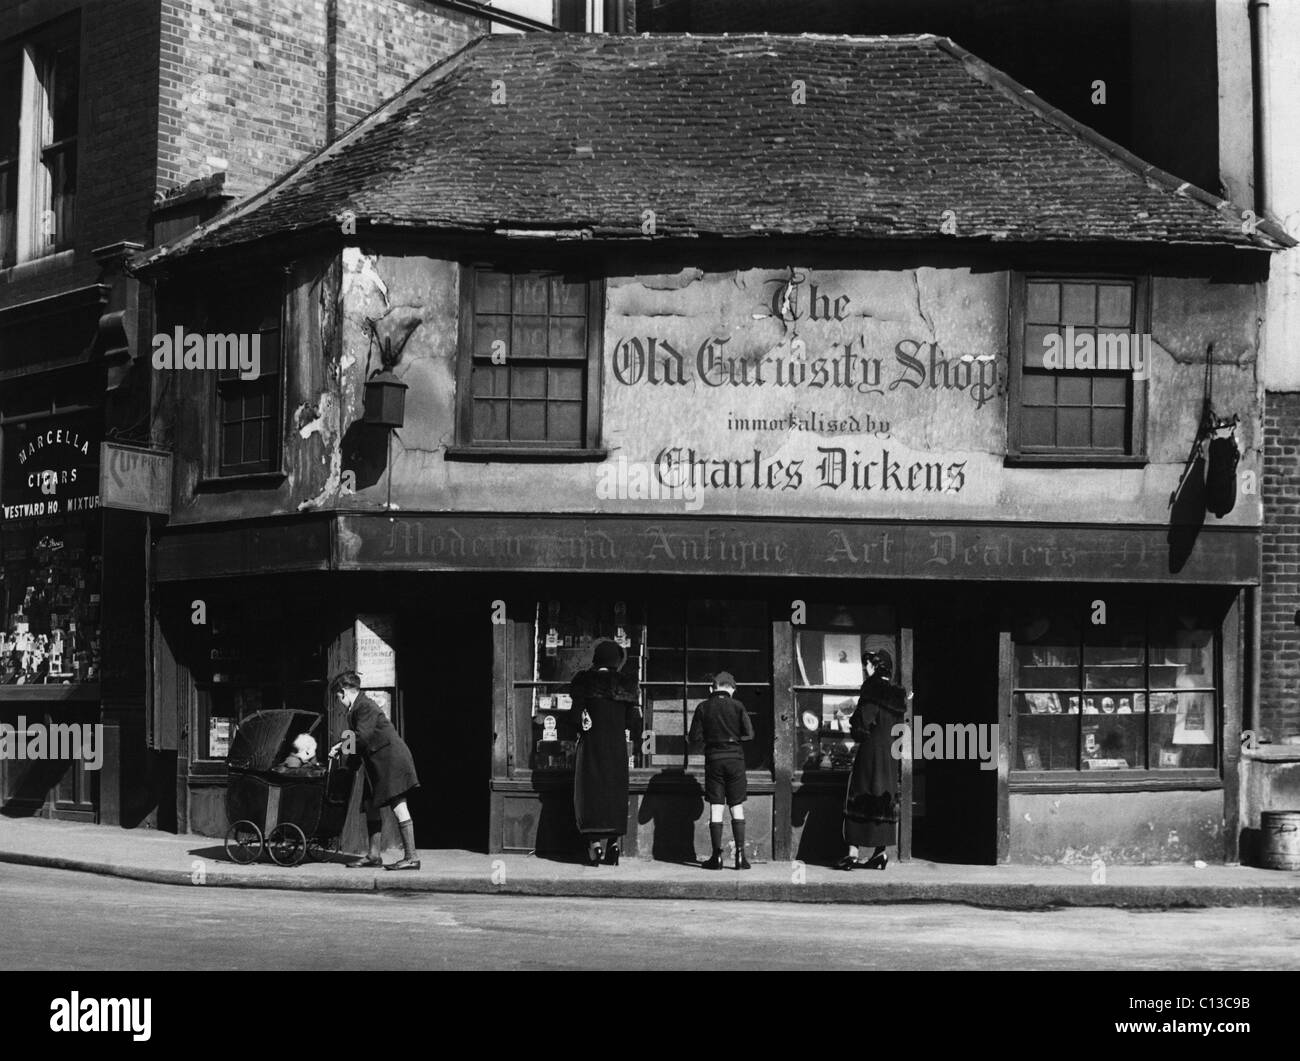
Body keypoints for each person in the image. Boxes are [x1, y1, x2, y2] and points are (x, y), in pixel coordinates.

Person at [328, 671, 422, 871]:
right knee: (370, 804)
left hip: (391, 761)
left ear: (343, 692)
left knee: (398, 805)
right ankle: (373, 855)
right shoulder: (356, 709)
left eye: (337, 696)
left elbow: (361, 737)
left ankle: (411, 857)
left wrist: (340, 745)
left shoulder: (364, 706)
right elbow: (359, 743)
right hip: (377, 763)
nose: (338, 701)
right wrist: (348, 767)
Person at [835, 649, 909, 871]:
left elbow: (863, 724)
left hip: (870, 753)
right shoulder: (897, 694)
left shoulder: (871, 689)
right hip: (889, 755)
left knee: (860, 795)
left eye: (867, 664)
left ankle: (853, 854)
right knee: (883, 799)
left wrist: (853, 723)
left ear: (875, 667)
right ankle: (880, 853)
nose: (865, 669)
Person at [571, 639, 642, 866]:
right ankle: (613, 845)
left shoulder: (585, 682)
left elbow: (574, 717)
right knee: (615, 792)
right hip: (616, 748)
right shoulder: (626, 685)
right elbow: (635, 722)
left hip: (592, 746)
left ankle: (595, 846)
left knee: (590, 792)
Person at [688, 671, 754, 870]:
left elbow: (694, 738)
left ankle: (716, 857)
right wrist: (733, 740)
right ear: (732, 689)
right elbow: (749, 734)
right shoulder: (738, 706)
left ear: (712, 688)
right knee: (736, 806)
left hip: (714, 761)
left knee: (716, 807)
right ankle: (740, 857)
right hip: (735, 760)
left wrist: (711, 740)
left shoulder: (703, 707)